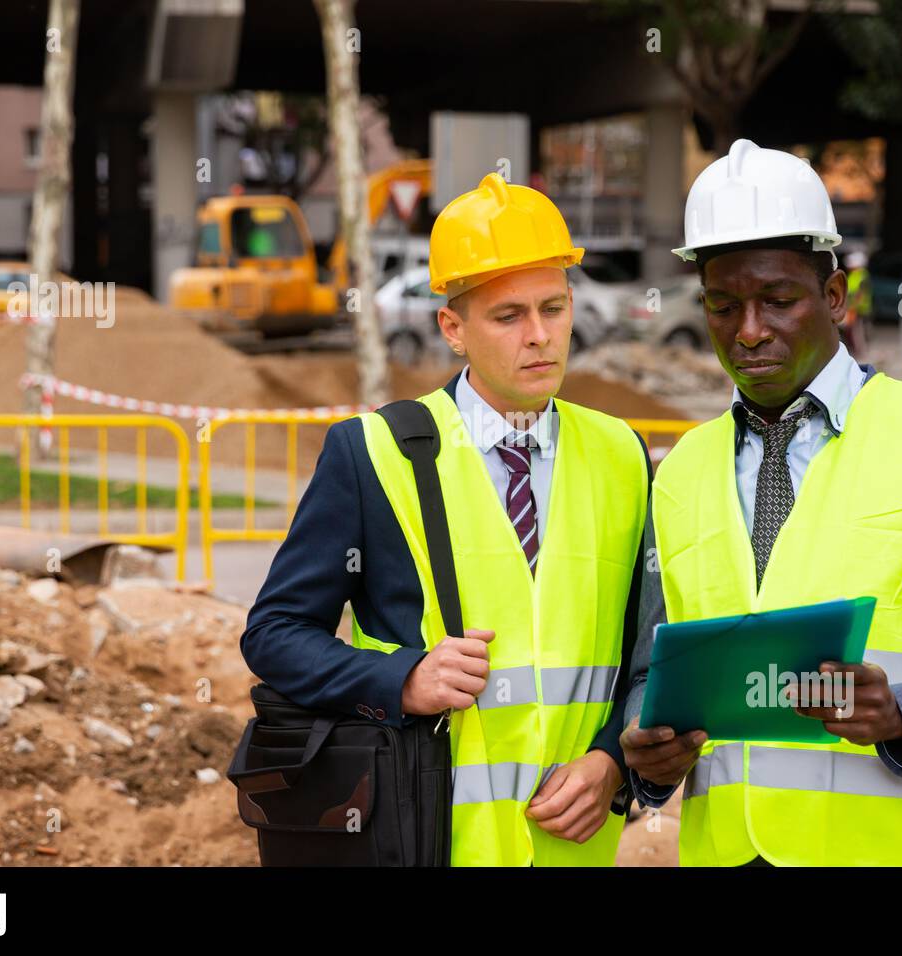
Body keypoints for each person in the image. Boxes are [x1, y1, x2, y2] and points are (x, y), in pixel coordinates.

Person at [619, 139, 902, 866]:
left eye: (777, 300)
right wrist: (649, 761)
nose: (748, 330)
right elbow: (657, 672)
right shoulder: (679, 473)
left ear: (835, 297)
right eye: (722, 304)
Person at [242, 172, 651, 866]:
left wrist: (613, 764)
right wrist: (400, 680)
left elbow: (646, 654)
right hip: (428, 843)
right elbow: (276, 634)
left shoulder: (623, 454)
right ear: (453, 328)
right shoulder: (371, 453)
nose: (540, 335)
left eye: (554, 308)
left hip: (573, 852)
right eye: (508, 316)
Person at [842, 249, 871, 356]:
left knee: (857, 331)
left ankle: (860, 351)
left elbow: (859, 294)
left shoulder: (861, 276)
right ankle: (856, 350)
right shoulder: (854, 275)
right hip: (853, 307)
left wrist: (852, 306)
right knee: (853, 330)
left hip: (859, 308)